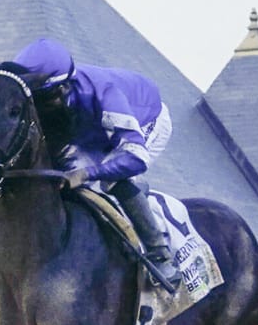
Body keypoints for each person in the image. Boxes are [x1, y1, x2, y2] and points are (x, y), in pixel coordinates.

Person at [11, 38, 182, 287]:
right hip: (89, 127)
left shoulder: (104, 93)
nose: (38, 106)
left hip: (145, 119)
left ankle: (160, 254)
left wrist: (87, 173)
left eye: (43, 98)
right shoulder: (52, 99)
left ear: (64, 88)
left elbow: (135, 157)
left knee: (111, 178)